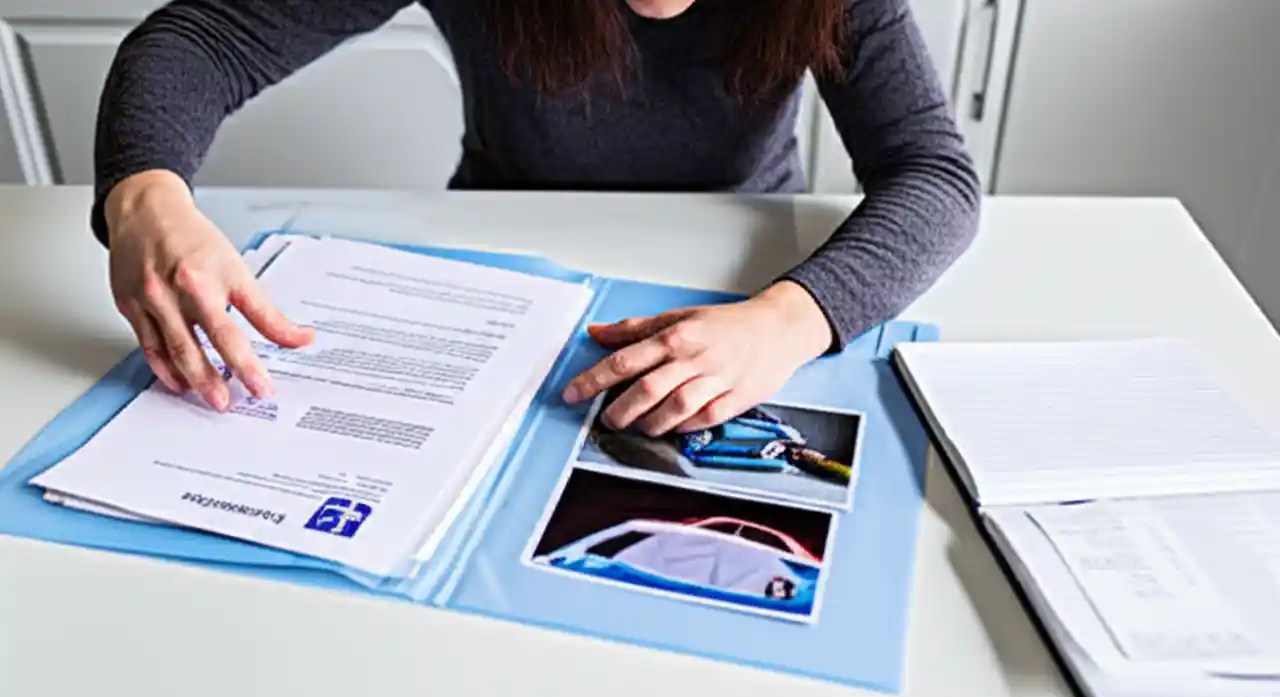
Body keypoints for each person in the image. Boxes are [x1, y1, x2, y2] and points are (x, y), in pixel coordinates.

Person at [93, 0, 980, 436]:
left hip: (746, 270)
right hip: (501, 260)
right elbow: (199, 42)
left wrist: (792, 320)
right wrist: (144, 194)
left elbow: (933, 173)